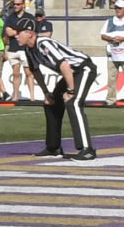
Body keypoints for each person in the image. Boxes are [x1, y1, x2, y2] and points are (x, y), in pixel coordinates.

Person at [10, 14, 97, 159]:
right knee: (51, 104)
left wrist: (70, 90)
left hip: (82, 68)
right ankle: (53, 147)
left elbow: (64, 65)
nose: (15, 37)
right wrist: (46, 93)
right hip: (71, 72)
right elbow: (35, 71)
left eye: (19, 33)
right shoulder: (29, 49)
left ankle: (87, 149)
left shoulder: (43, 43)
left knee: (73, 102)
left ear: (29, 33)